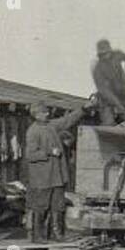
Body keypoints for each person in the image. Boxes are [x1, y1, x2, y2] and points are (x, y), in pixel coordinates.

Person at [25, 101, 86, 242]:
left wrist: (83, 109)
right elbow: (30, 155)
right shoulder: (32, 131)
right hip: (42, 178)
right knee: (41, 207)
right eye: (44, 112)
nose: (47, 114)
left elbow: (67, 120)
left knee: (58, 206)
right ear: (36, 115)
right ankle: (37, 236)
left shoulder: (51, 125)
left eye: (47, 111)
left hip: (56, 176)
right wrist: (49, 152)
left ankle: (57, 234)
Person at [91, 39, 125, 125]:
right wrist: (119, 105)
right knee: (109, 123)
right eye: (103, 54)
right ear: (99, 55)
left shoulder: (117, 54)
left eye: (107, 53)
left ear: (110, 51)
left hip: (124, 93)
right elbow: (105, 91)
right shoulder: (97, 69)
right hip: (107, 98)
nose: (106, 56)